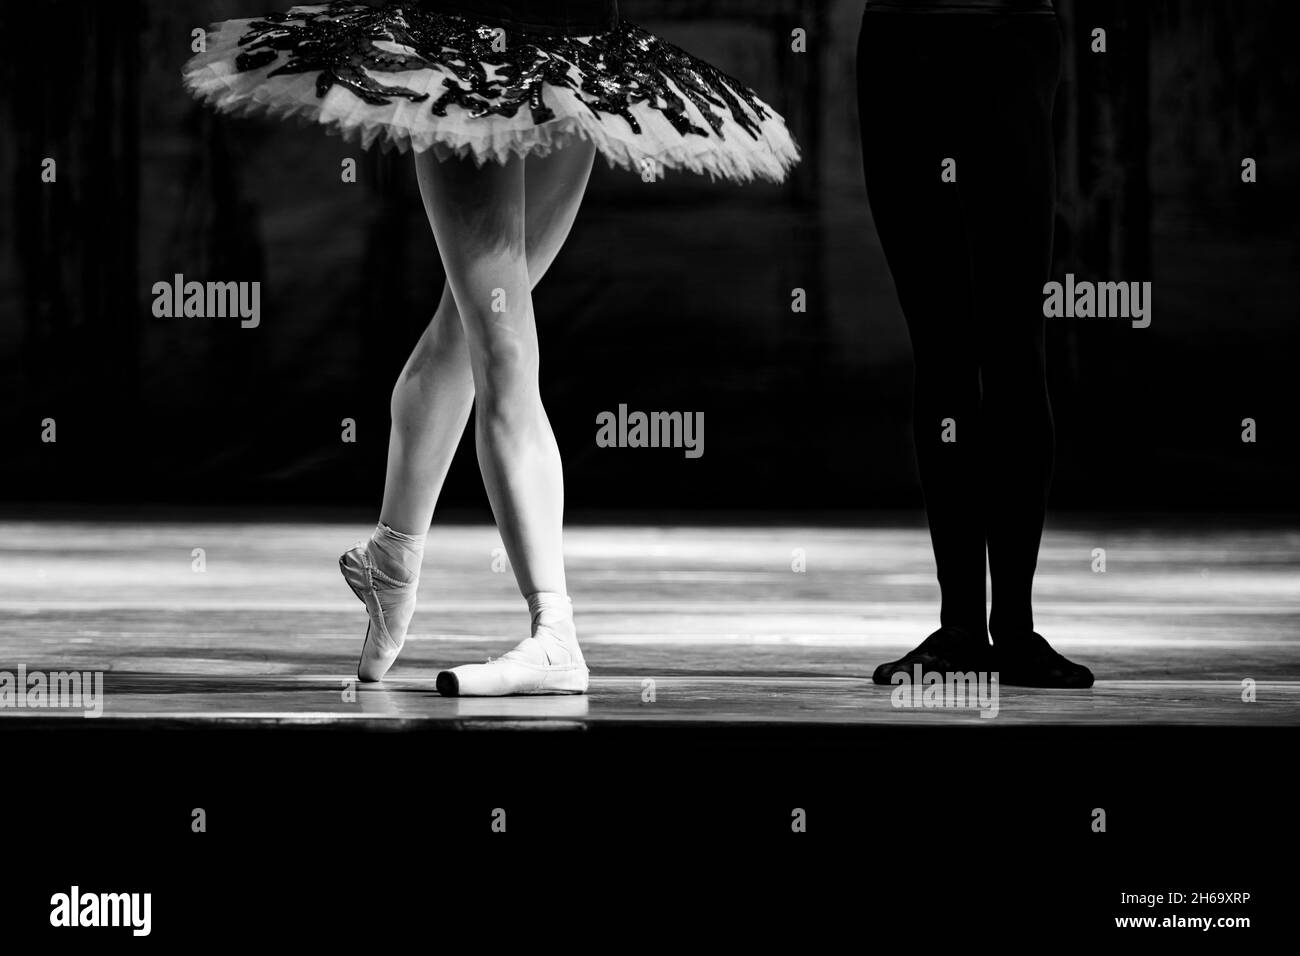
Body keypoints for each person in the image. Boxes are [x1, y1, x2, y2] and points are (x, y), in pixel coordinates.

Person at [183, 0, 799, 695]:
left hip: (577, 45)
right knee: (501, 345)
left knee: (467, 328)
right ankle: (554, 631)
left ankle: (392, 559)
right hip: (467, 47)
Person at [857, 0, 1092, 688]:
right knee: (941, 348)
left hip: (1006, 30)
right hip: (899, 33)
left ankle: (1013, 628)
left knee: (1014, 345)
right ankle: (960, 624)